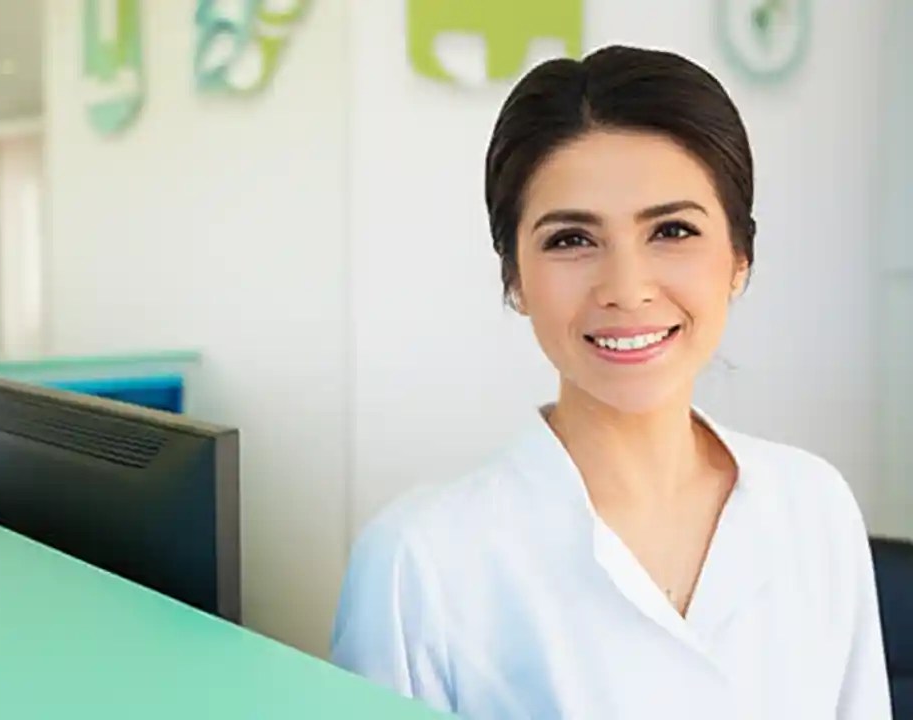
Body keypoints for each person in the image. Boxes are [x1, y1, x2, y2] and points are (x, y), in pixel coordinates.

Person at [330, 45, 891, 719]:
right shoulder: (419, 562)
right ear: (515, 278)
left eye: (672, 230)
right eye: (572, 239)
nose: (626, 289)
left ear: (739, 258)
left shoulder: (814, 507)